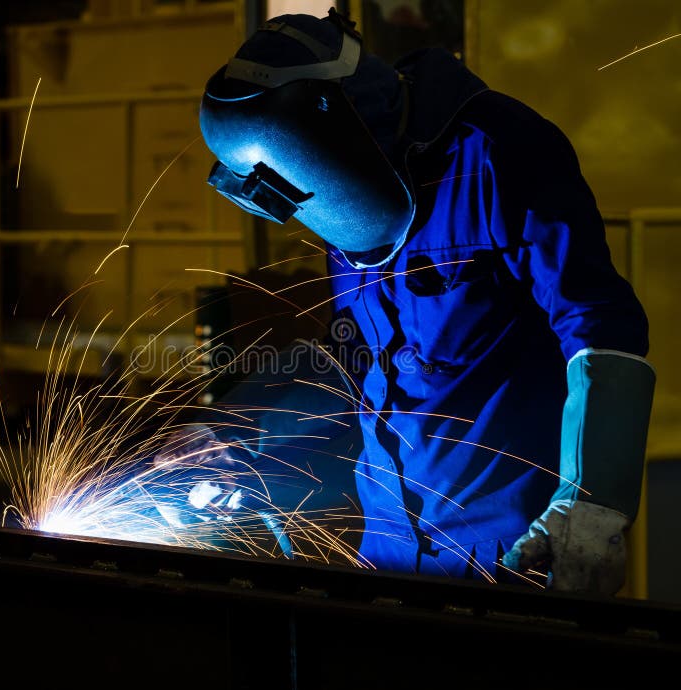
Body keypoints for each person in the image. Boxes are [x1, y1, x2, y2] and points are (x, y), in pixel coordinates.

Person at [158, 9, 655, 594]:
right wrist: (235, 437)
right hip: (390, 555)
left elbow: (600, 326)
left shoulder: (499, 151)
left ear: (338, 126)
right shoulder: (344, 192)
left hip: (513, 559)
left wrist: (593, 501)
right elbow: (352, 358)